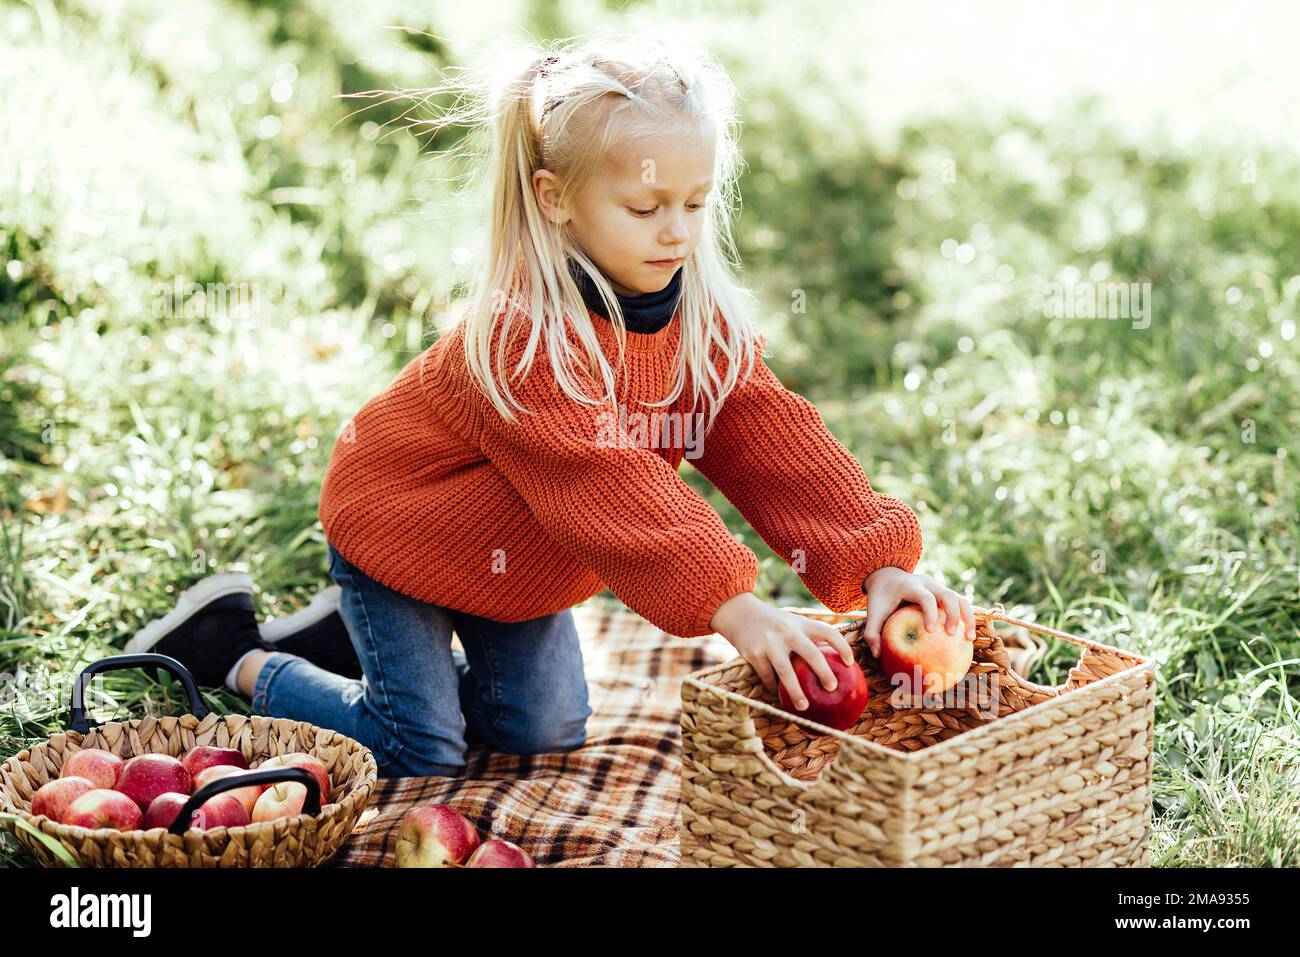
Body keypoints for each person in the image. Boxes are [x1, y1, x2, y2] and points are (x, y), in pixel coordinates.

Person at [130, 33, 975, 779]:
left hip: (510, 560)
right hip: (402, 527)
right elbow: (603, 479)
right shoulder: (519, 339)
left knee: (544, 731)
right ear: (554, 197)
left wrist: (874, 559)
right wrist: (733, 603)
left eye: (693, 203)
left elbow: (762, 432)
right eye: (645, 208)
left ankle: (355, 642)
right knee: (421, 749)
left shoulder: (694, 316)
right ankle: (235, 651)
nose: (676, 232)